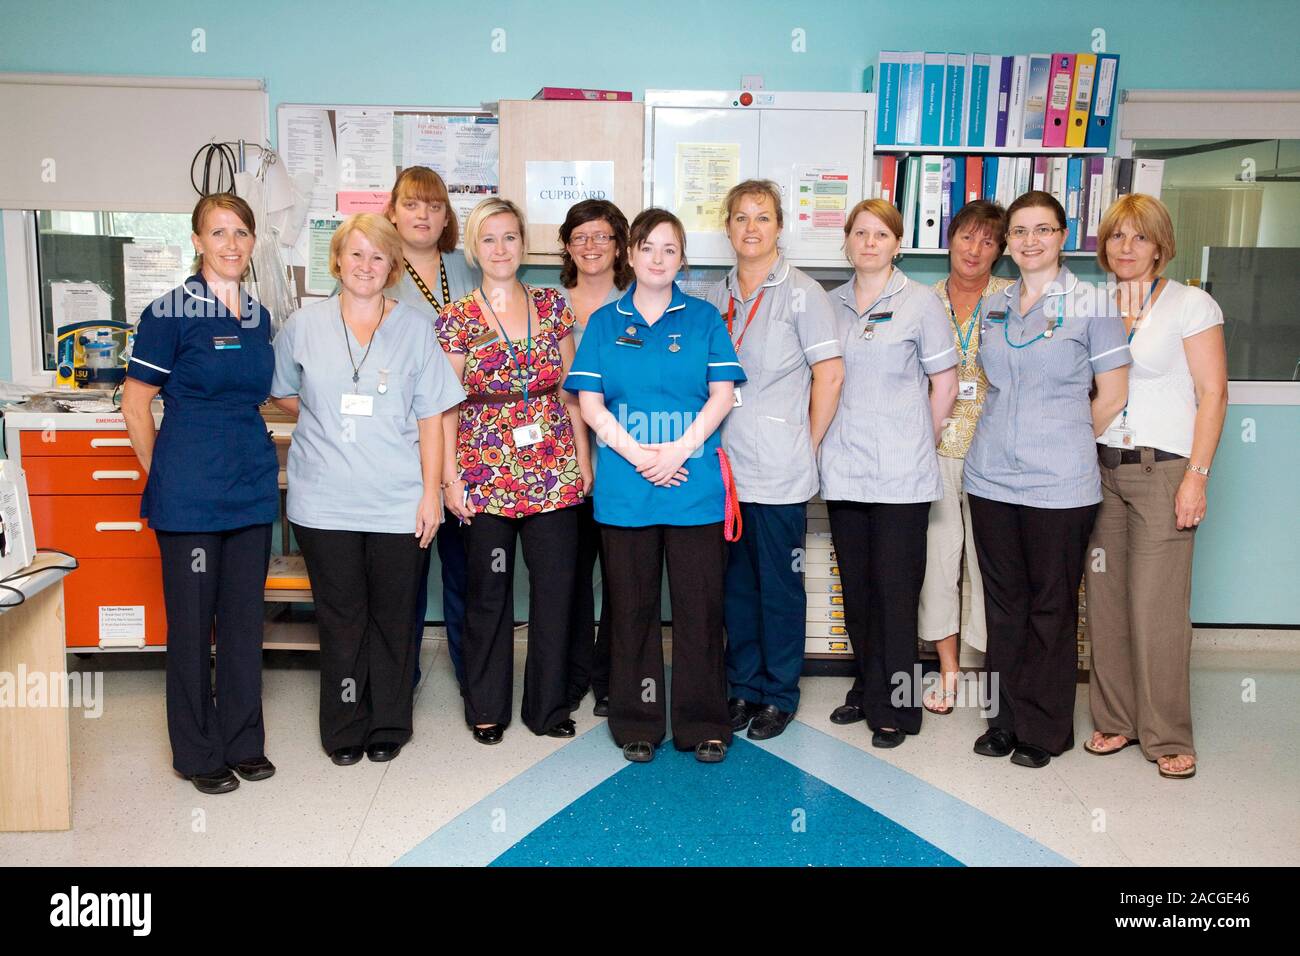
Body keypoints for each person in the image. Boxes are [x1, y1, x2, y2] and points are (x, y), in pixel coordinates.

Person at [270, 213, 464, 766]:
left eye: (378, 257)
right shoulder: (303, 327)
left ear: (393, 268)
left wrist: (431, 493)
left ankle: (388, 721)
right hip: (324, 502)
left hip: (398, 500)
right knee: (342, 617)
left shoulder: (415, 330)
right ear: (337, 261)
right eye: (355, 255)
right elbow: (284, 391)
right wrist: (327, 417)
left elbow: (432, 415)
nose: (366, 266)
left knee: (395, 616)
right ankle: (345, 725)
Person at [565, 207, 745, 764]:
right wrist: (640, 454)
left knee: (699, 610)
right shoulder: (603, 322)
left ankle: (703, 723)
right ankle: (638, 721)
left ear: (682, 258)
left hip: (693, 486)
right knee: (633, 610)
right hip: (626, 486)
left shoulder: (704, 319)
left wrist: (678, 450)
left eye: (670, 249)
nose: (658, 259)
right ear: (631, 254)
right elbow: (588, 403)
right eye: (648, 248)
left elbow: (722, 394)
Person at [964, 190, 1131, 769]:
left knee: (1051, 605)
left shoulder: (1094, 303)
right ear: (1007, 243)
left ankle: (1044, 728)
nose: (1029, 241)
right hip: (989, 478)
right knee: (1003, 604)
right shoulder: (995, 303)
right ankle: (1004, 721)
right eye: (1019, 232)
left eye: (1042, 229)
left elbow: (1114, 393)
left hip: (1060, 481)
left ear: (1064, 236)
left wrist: (1060, 437)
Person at [122, 193, 280, 794]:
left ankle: (244, 740)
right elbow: (136, 406)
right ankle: (195, 750)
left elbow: (264, 391)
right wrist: (162, 472)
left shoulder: (258, 316)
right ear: (197, 241)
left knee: (243, 620)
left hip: (248, 482)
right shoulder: (168, 313)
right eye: (219, 233)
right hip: (189, 487)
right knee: (192, 624)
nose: (232, 244)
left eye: (241, 232)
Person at [1084, 194, 1227, 780]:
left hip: (1163, 470)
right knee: (1106, 603)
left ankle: (1166, 733)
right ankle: (1116, 720)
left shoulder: (1191, 304)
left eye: (1140, 237)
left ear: (1161, 245)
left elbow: (1214, 394)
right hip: (1098, 469)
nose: (1126, 247)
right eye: (1117, 236)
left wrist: (1197, 477)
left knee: (1158, 608)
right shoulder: (1090, 305)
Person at [439, 197, 588, 745]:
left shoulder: (552, 305)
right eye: (488, 239)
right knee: (488, 592)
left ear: (524, 245)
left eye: (510, 237)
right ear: (474, 249)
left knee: (554, 592)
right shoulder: (457, 318)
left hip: (552, 466)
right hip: (483, 471)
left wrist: (582, 458)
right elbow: (446, 405)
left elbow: (574, 389)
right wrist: (449, 478)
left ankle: (547, 708)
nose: (501, 249)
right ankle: (486, 707)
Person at [705, 179, 844, 740]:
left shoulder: (804, 294)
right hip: (725, 469)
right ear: (728, 227)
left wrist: (805, 444)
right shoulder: (715, 297)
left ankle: (778, 693)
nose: (751, 228)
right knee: (736, 587)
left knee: (780, 585)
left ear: (780, 226)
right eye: (741, 218)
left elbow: (829, 375)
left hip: (782, 467)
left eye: (763, 217)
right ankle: (742, 686)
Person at [820, 199, 958, 748]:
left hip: (902, 473)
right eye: (860, 233)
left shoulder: (922, 303)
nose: (870, 242)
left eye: (881, 234)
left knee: (896, 591)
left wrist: (915, 439)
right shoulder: (826, 305)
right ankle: (868, 686)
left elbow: (943, 386)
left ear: (898, 243)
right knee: (857, 589)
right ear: (847, 242)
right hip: (845, 466)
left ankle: (897, 706)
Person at [384, 166, 479, 691]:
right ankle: (400, 681)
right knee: (406, 577)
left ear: (446, 216)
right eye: (412, 204)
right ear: (393, 211)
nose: (423, 215)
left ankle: (474, 677)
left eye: (434, 205)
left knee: (467, 572)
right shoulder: (375, 268)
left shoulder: (465, 269)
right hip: (405, 445)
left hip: (467, 443)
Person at [918, 201, 1012, 715]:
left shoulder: (1014, 300)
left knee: (989, 564)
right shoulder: (921, 300)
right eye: (966, 238)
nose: (975, 251)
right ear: (949, 238)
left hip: (996, 450)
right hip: (932, 449)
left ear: (1001, 250)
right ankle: (949, 672)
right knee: (937, 562)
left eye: (988, 241)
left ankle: (990, 669)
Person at [558, 199, 633, 717]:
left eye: (601, 236)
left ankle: (612, 677)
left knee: (622, 575)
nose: (590, 246)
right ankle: (571, 674)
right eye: (580, 236)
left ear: (619, 246)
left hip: (624, 458)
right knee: (568, 572)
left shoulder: (638, 303)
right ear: (566, 244)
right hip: (558, 458)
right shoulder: (546, 305)